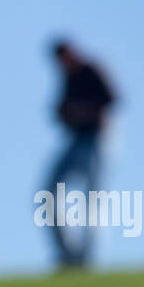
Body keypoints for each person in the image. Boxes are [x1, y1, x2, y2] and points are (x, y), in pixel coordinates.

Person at [45, 40, 116, 268]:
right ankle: (69, 257)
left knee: (93, 200)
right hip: (75, 141)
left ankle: (87, 261)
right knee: (48, 195)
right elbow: (59, 111)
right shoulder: (67, 77)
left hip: (97, 141)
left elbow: (112, 100)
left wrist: (82, 112)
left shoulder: (91, 70)